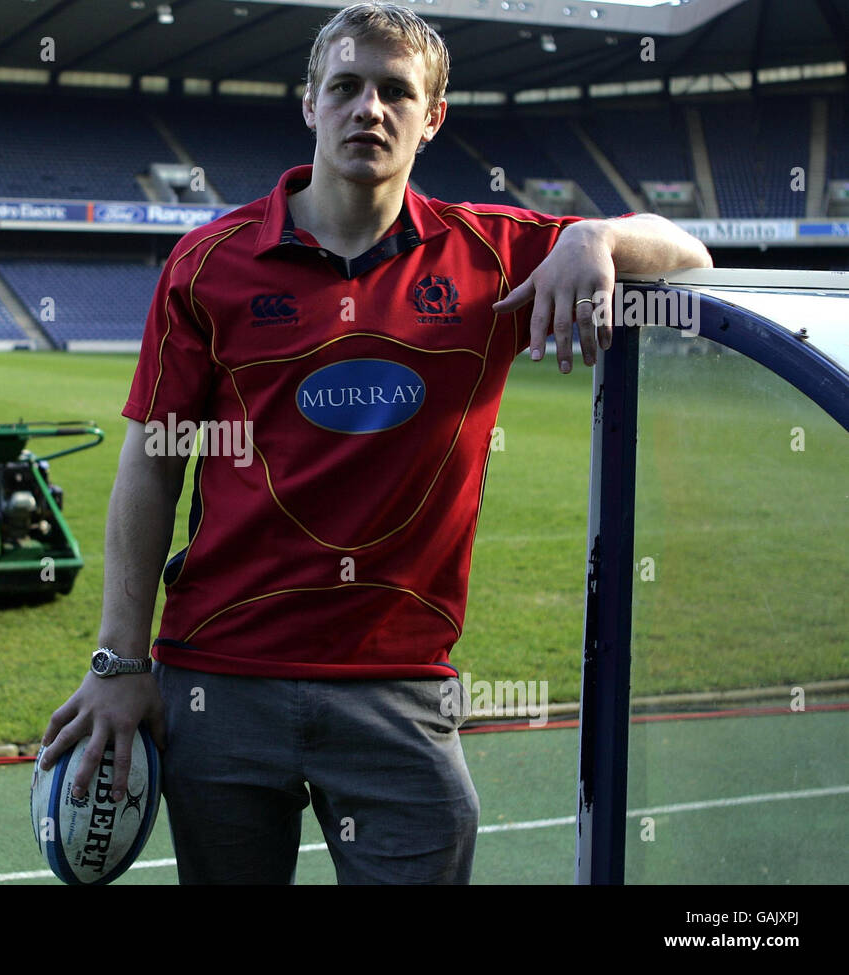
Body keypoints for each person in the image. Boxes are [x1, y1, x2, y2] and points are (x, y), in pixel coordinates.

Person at [40, 1, 712, 884]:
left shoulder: (493, 255)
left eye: (396, 92)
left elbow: (690, 252)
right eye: (347, 87)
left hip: (399, 688)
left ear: (433, 118)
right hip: (218, 679)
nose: (370, 110)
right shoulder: (207, 264)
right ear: (309, 104)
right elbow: (154, 460)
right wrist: (121, 662)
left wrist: (595, 234)